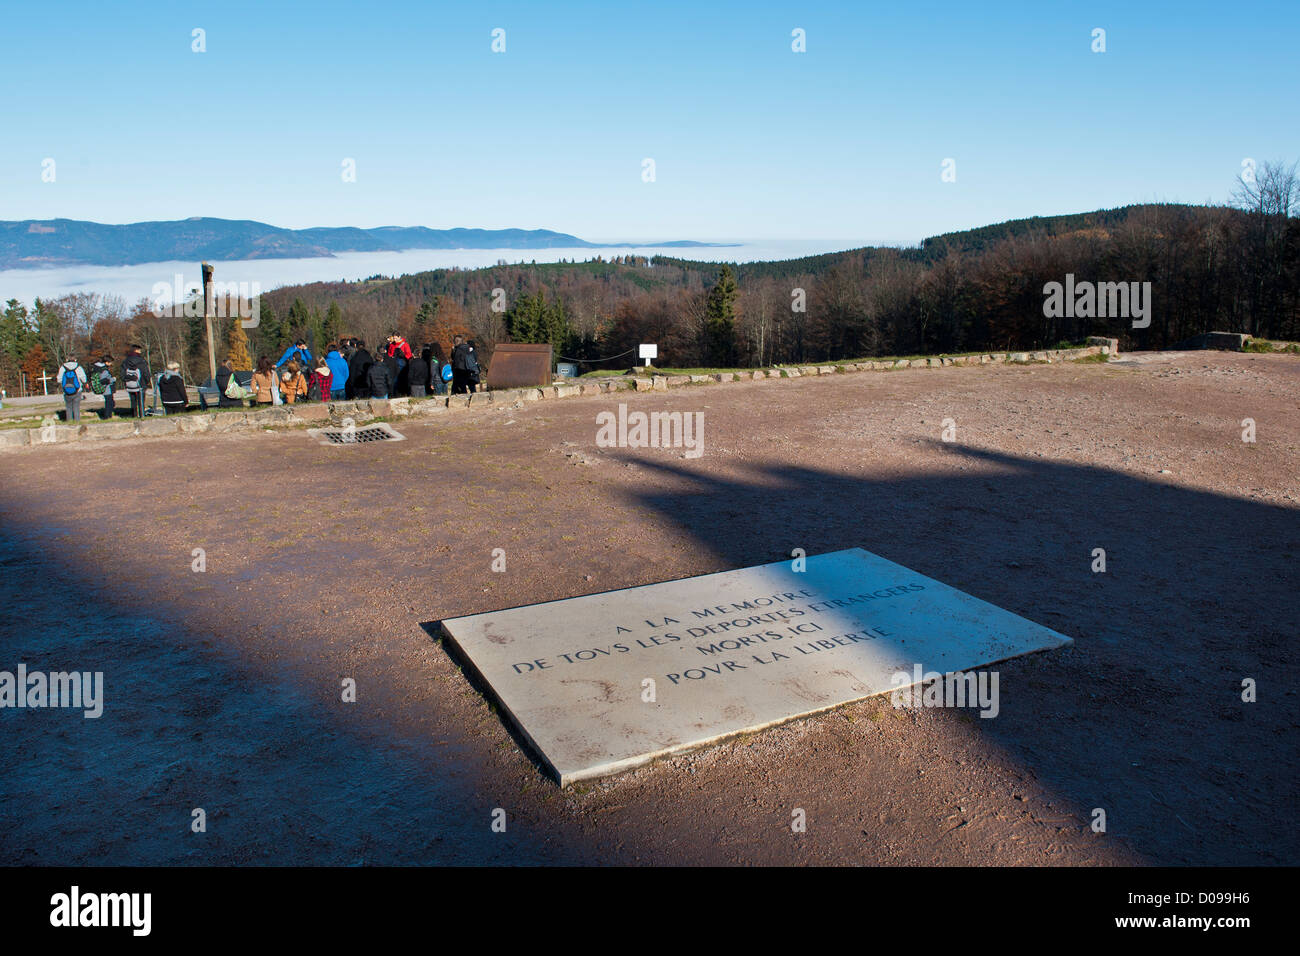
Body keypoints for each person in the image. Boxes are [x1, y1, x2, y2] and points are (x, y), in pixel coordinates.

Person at [121, 344, 151, 418]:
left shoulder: (125, 361)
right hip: (141, 383)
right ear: (137, 350)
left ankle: (134, 415)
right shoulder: (141, 360)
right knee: (141, 401)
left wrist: (126, 380)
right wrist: (146, 381)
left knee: (133, 401)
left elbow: (122, 374)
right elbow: (146, 373)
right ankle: (142, 414)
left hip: (130, 384)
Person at [57, 357, 87, 421]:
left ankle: (69, 421)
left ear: (66, 360)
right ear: (75, 360)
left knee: (68, 407)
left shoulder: (62, 368)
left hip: (66, 391)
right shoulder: (79, 368)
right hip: (77, 390)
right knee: (76, 407)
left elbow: (59, 380)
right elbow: (84, 379)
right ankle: (77, 421)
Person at [89, 354, 116, 419]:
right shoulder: (104, 370)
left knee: (109, 402)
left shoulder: (98, 368)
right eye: (110, 362)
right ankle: (107, 416)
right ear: (106, 362)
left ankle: (108, 415)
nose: (111, 364)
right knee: (109, 403)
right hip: (107, 389)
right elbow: (103, 380)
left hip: (104, 388)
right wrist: (113, 379)